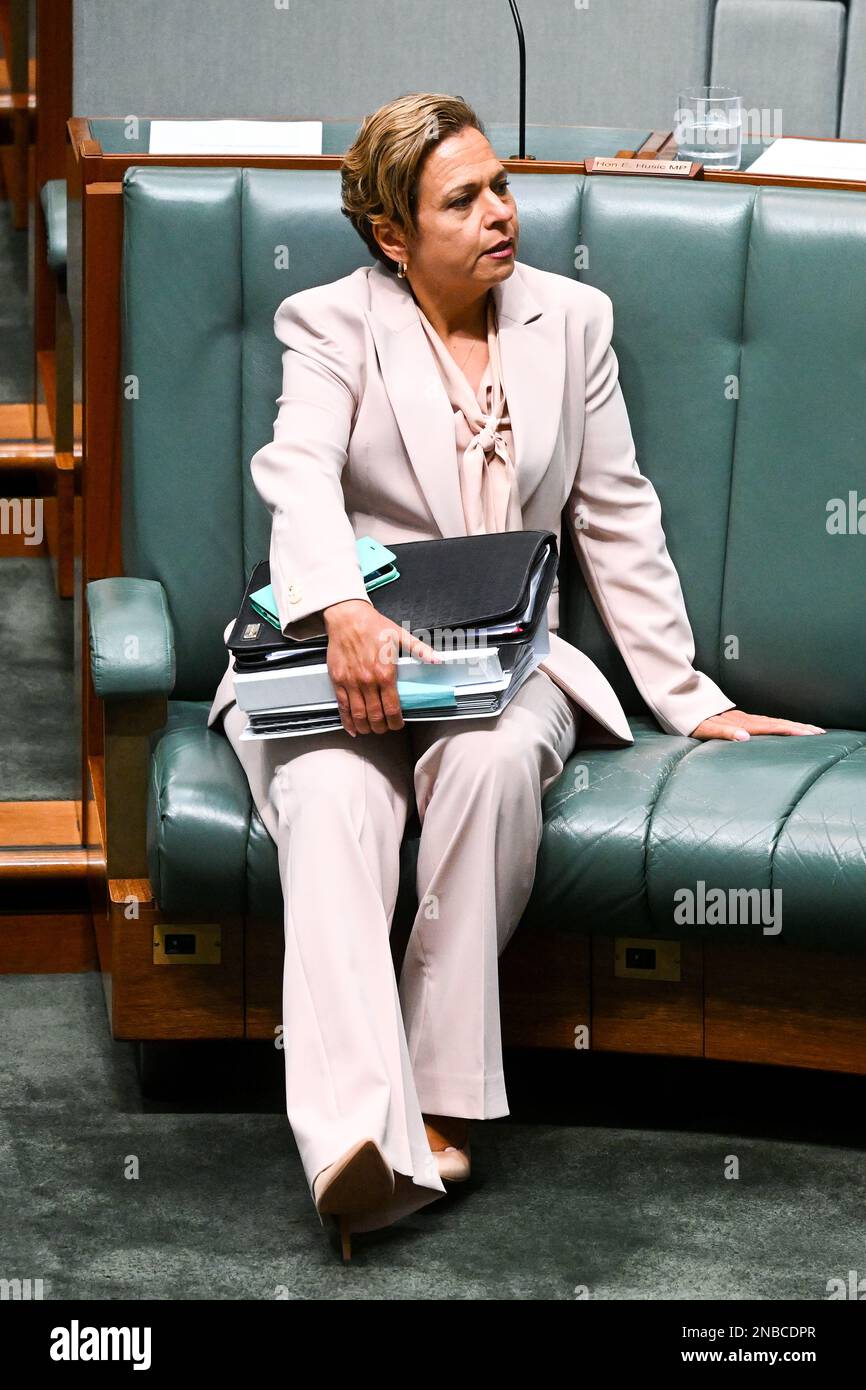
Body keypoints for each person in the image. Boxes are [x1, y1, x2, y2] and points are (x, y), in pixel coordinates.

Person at [206, 92, 825, 1260]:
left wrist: (692, 697)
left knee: (490, 763)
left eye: (499, 186)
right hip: (344, 653)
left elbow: (615, 517)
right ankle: (356, 1146)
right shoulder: (328, 321)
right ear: (392, 234)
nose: (501, 214)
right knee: (333, 801)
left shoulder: (571, 322)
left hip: (503, 666)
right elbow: (294, 472)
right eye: (463, 199)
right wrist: (340, 610)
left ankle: (438, 1098)